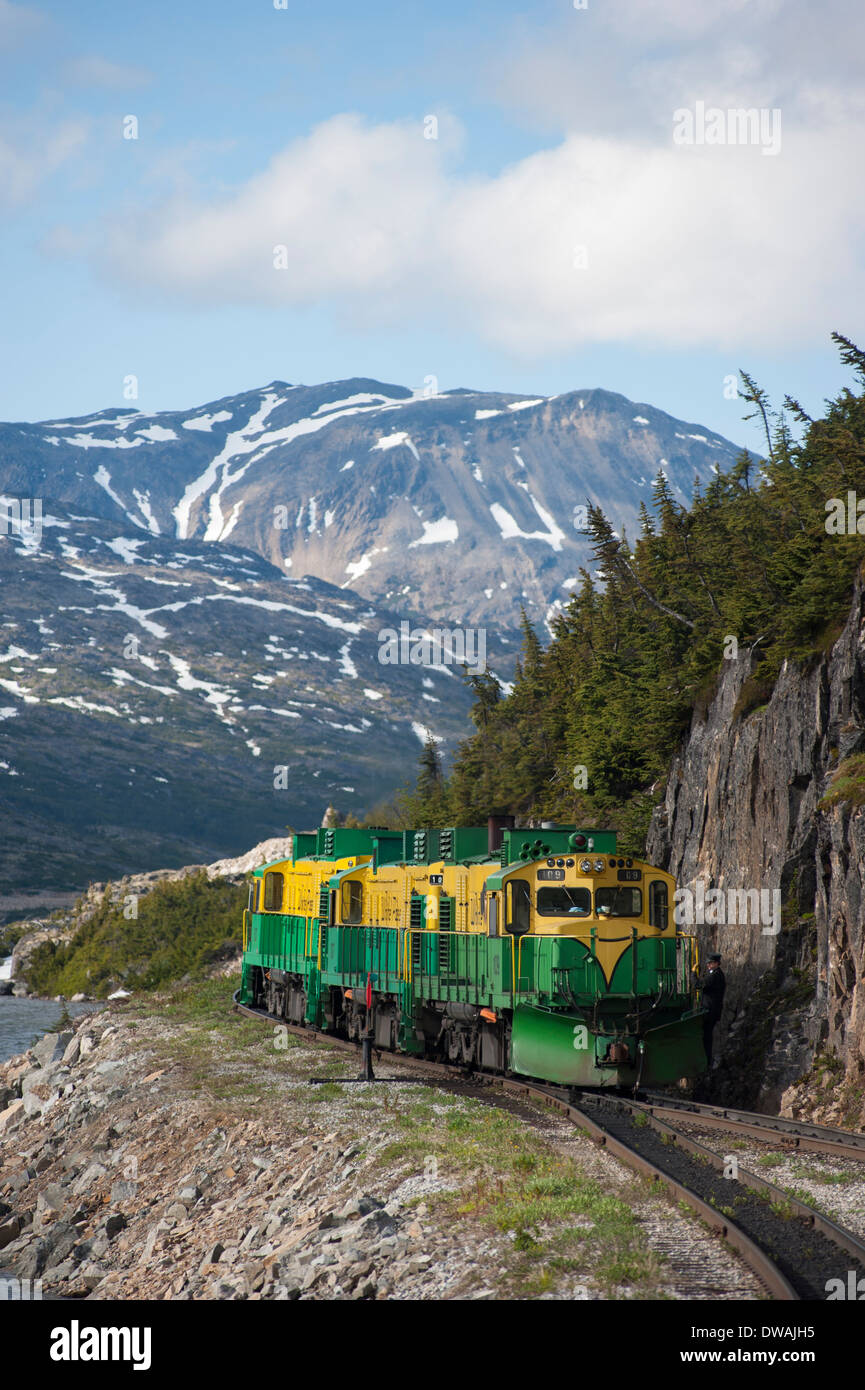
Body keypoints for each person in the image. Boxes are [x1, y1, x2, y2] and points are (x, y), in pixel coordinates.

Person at [701, 953, 726, 1067]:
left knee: (707, 1036)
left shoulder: (715, 976)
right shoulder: (717, 975)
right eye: (708, 963)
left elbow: (701, 985)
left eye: (710, 963)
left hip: (710, 1010)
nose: (708, 965)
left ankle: (706, 1061)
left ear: (716, 963)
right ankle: (706, 1060)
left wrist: (693, 975)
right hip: (712, 1009)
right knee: (707, 1035)